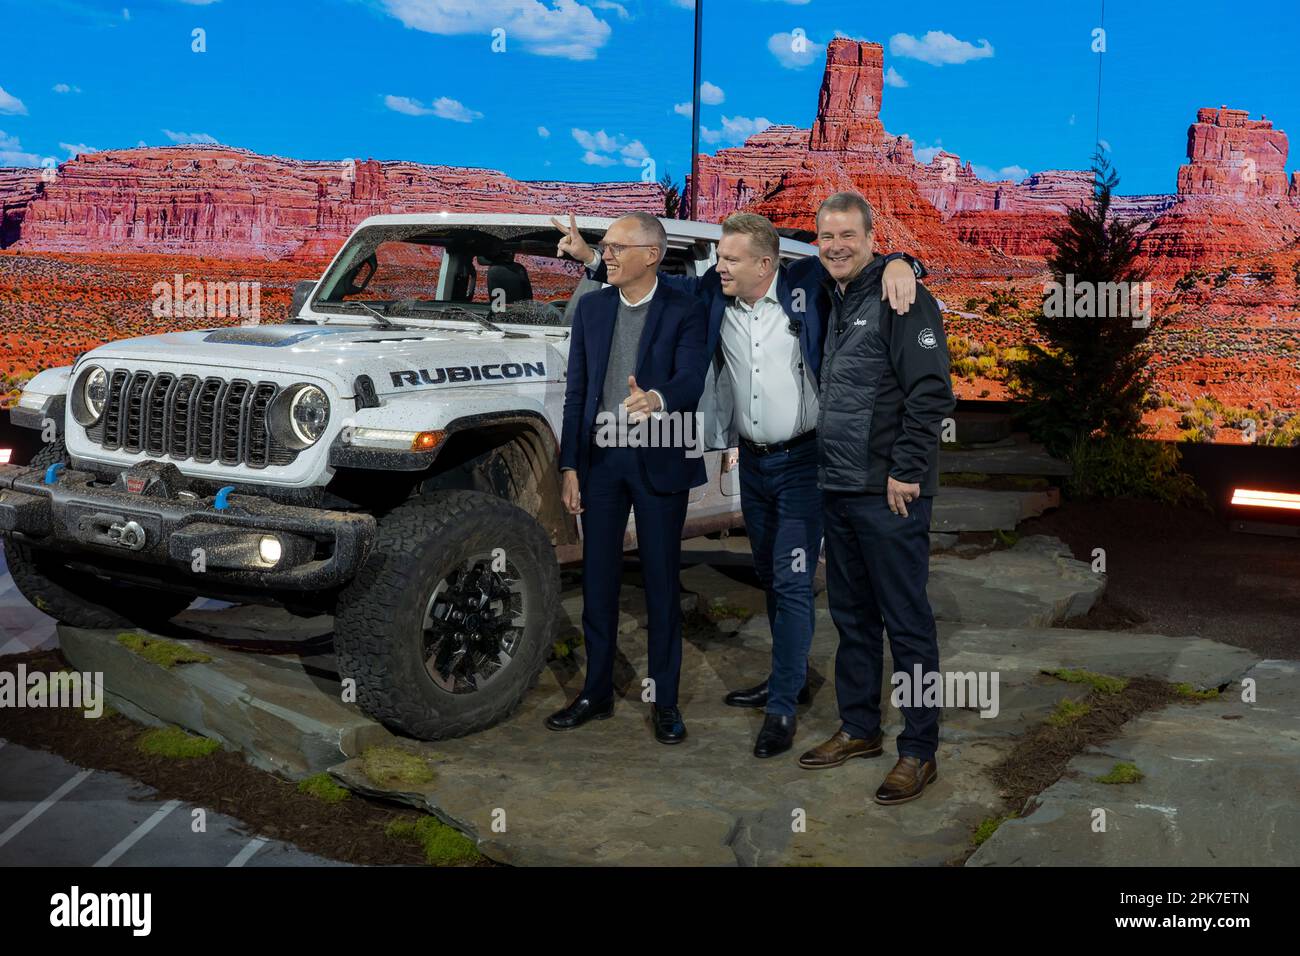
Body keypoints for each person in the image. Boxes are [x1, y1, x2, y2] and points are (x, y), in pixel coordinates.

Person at [553, 210, 925, 758]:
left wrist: (902, 261)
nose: (718, 266)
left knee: (793, 580)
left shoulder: (805, 284)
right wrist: (591, 258)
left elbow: (852, 266)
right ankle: (788, 680)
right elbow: (653, 283)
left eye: (729, 258)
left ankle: (780, 709)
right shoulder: (711, 294)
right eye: (718, 257)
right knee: (773, 577)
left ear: (765, 264)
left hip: (803, 461)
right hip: (753, 463)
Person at [796, 192, 955, 806]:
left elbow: (932, 392)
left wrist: (908, 470)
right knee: (853, 619)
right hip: (837, 485)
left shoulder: (902, 296)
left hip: (890, 491)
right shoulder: (825, 290)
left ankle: (918, 751)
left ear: (870, 237)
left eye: (848, 236)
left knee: (906, 622)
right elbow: (755, 252)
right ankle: (860, 728)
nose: (835, 246)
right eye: (825, 236)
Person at [548, 212, 710, 745]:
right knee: (597, 584)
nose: (607, 254)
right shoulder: (593, 309)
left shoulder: (686, 308)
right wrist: (570, 466)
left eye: (618, 246)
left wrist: (658, 399)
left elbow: (690, 378)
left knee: (662, 586)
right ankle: (595, 692)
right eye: (605, 247)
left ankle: (666, 703)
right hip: (601, 464)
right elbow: (578, 394)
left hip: (662, 457)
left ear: (652, 255)